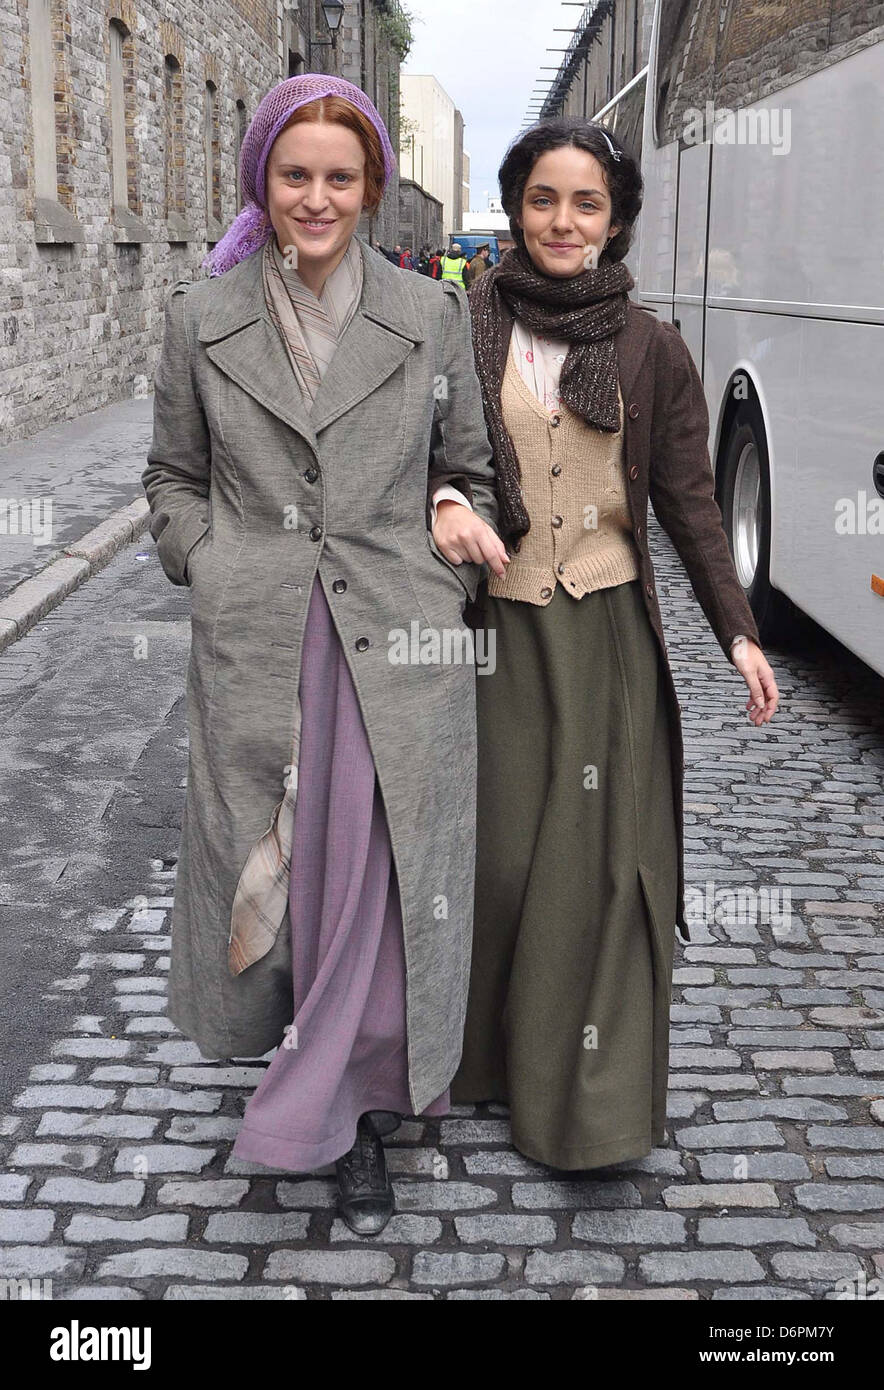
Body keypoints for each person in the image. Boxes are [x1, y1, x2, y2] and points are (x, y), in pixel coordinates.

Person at [141, 73, 506, 1235]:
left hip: (391, 637)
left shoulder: (429, 315)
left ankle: (346, 1107)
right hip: (262, 638)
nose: (315, 197)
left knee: (375, 875)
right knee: (284, 870)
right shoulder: (200, 321)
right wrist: (212, 561)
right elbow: (170, 479)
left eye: (339, 177)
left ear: (372, 188)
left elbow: (469, 465)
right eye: (293, 174)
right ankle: (304, 1056)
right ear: (262, 179)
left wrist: (451, 513)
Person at [444, 117, 780, 1171]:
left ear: (615, 218)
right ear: (515, 206)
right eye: (543, 199)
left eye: (585, 203)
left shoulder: (650, 346)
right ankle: (479, 1063)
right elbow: (418, 453)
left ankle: (579, 1105)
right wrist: (446, 496)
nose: (562, 221)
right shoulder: (459, 324)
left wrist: (736, 631)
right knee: (498, 859)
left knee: (591, 871)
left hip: (606, 634)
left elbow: (687, 499)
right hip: (496, 627)